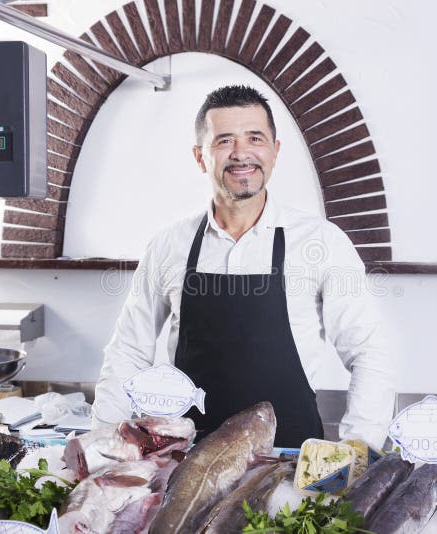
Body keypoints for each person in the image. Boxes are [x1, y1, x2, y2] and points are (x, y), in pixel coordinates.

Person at [93, 85, 395, 448]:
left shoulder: (322, 243)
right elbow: (129, 350)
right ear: (200, 156)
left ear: (274, 151)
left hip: (288, 463)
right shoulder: (169, 244)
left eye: (255, 138)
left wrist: (360, 445)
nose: (241, 154)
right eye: (224, 141)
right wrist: (101, 443)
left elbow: (368, 350)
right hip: (188, 464)